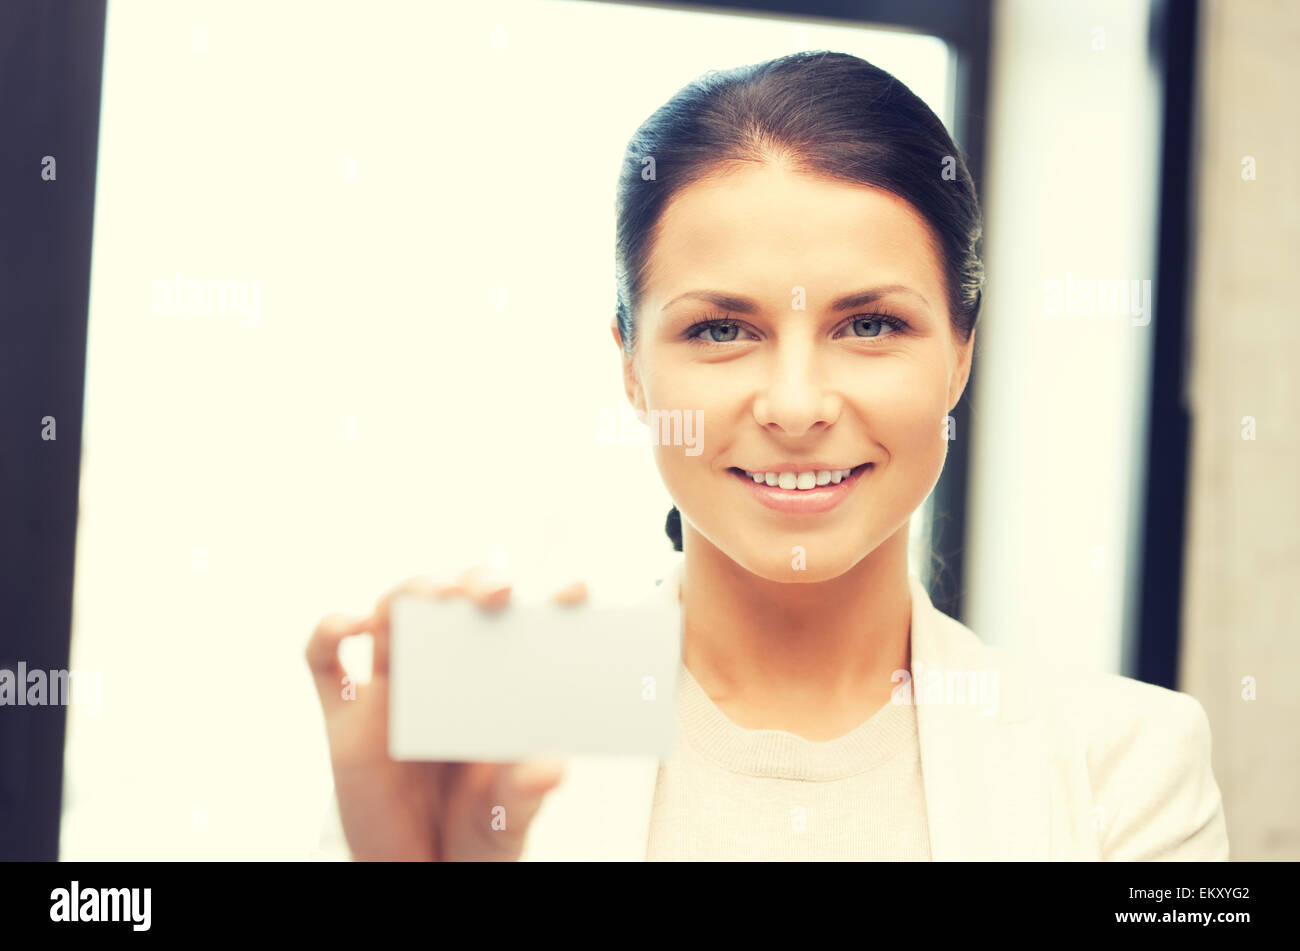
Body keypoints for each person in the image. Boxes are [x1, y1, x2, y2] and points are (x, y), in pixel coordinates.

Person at [306, 50, 1228, 861]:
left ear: (960, 355)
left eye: (870, 323)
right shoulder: (488, 716)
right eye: (719, 329)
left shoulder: (1127, 759)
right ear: (629, 365)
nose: (795, 405)